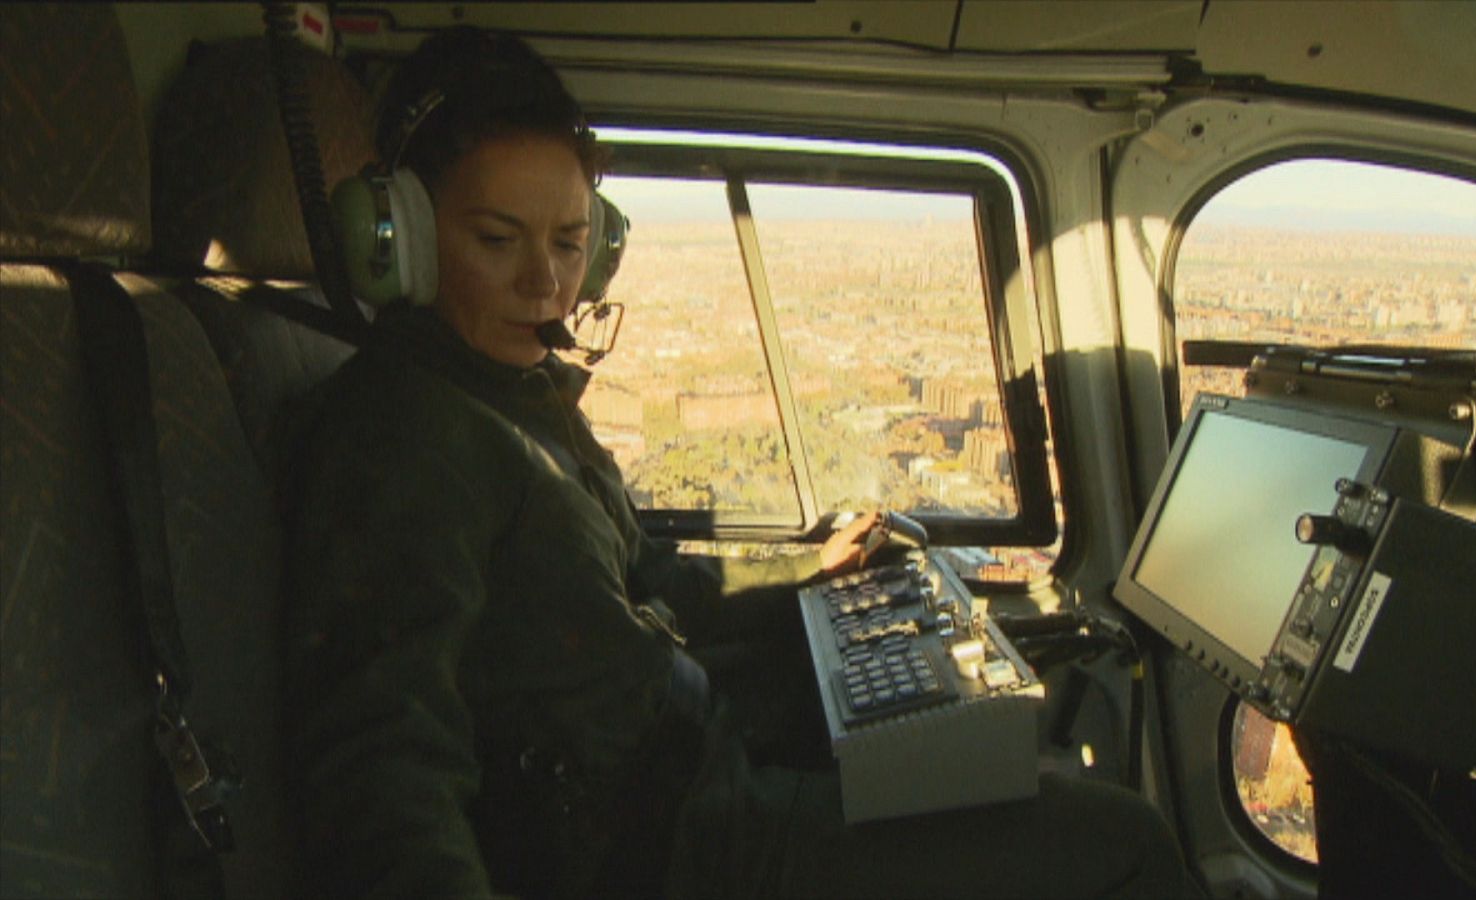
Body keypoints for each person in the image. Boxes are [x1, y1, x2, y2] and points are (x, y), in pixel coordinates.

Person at [282, 27, 1201, 900]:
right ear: (396, 237)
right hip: (664, 851)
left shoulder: (514, 390)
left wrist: (811, 566)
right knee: (1123, 843)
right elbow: (386, 765)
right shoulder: (399, 436)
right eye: (497, 239)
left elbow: (649, 580)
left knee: (1021, 731)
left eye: (568, 244)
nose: (547, 284)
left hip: (688, 770)